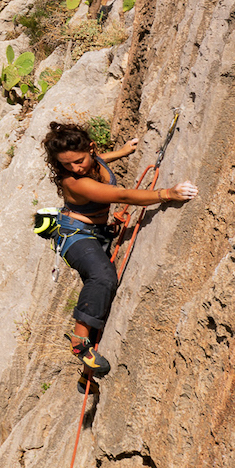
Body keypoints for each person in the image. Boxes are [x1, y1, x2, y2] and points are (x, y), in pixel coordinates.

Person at [42, 121, 198, 380]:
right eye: (66, 164)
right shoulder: (76, 182)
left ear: (91, 149)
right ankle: (80, 344)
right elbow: (123, 197)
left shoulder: (93, 161)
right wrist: (167, 193)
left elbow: (99, 159)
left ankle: (86, 377)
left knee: (100, 298)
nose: (74, 168)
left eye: (78, 161)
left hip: (93, 233)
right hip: (74, 236)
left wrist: (123, 152)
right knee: (102, 277)